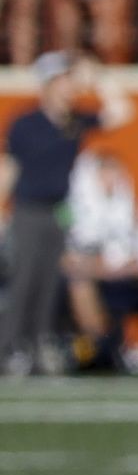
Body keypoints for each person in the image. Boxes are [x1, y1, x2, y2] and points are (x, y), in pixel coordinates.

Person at [2, 57, 91, 374]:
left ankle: (40, 347)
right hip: (27, 211)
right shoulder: (25, 123)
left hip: (58, 213)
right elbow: (10, 168)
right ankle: (9, 348)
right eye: (63, 80)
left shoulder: (75, 121)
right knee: (23, 281)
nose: (70, 87)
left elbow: (122, 113)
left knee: (50, 284)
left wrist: (96, 76)